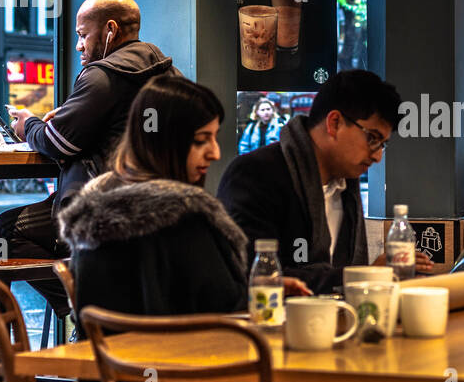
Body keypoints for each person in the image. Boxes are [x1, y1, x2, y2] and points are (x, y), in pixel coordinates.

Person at [0, 0, 178, 316]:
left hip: (98, 210)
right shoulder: (167, 74)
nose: (78, 45)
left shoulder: (103, 74)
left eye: (82, 35)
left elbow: (59, 143)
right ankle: (100, 306)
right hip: (154, 210)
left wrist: (28, 125)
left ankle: (86, 310)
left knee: (5, 231)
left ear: (110, 30)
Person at [59, 75, 307, 314]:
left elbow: (166, 304)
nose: (215, 153)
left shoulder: (91, 214)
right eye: (202, 140)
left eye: (215, 138)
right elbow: (221, 308)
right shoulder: (185, 219)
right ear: (166, 143)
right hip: (188, 354)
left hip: (110, 355)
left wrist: (257, 292)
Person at [218, 69, 431, 295]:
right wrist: (364, 275)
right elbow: (255, 276)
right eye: (372, 138)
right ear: (335, 122)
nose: (378, 156)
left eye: (383, 144)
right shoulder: (254, 175)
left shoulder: (346, 186)